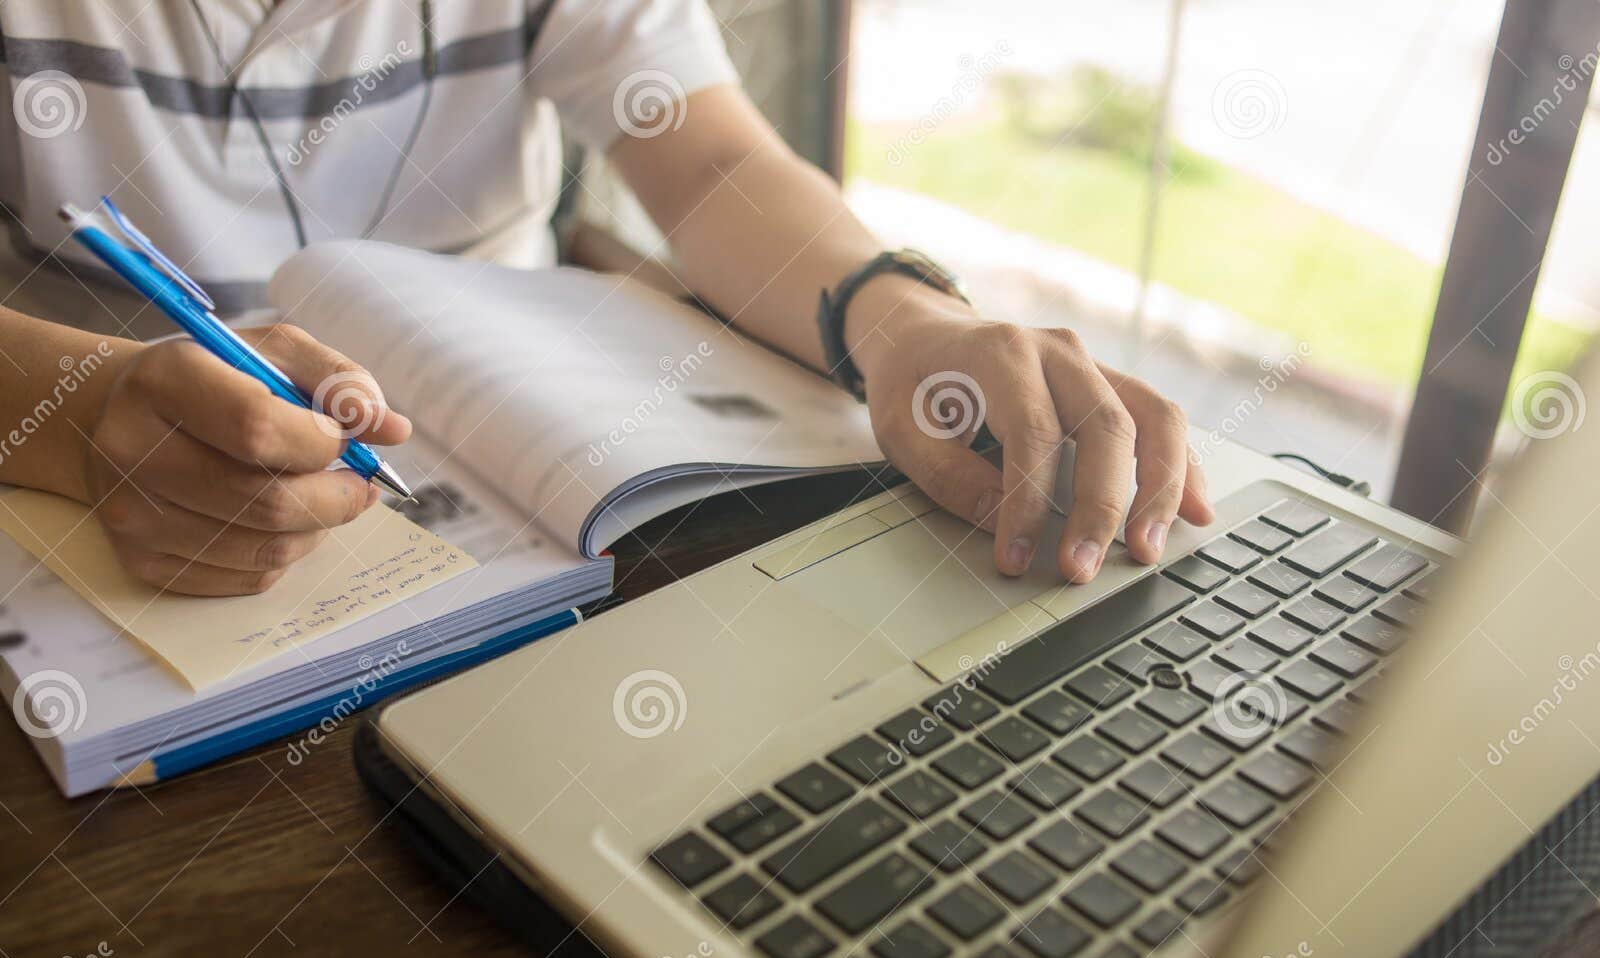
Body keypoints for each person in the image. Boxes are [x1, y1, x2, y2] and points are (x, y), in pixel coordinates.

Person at [0, 0, 1211, 596]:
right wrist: (77, 410)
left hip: (505, 529)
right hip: (80, 548)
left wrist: (903, 322)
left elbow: (710, 161)